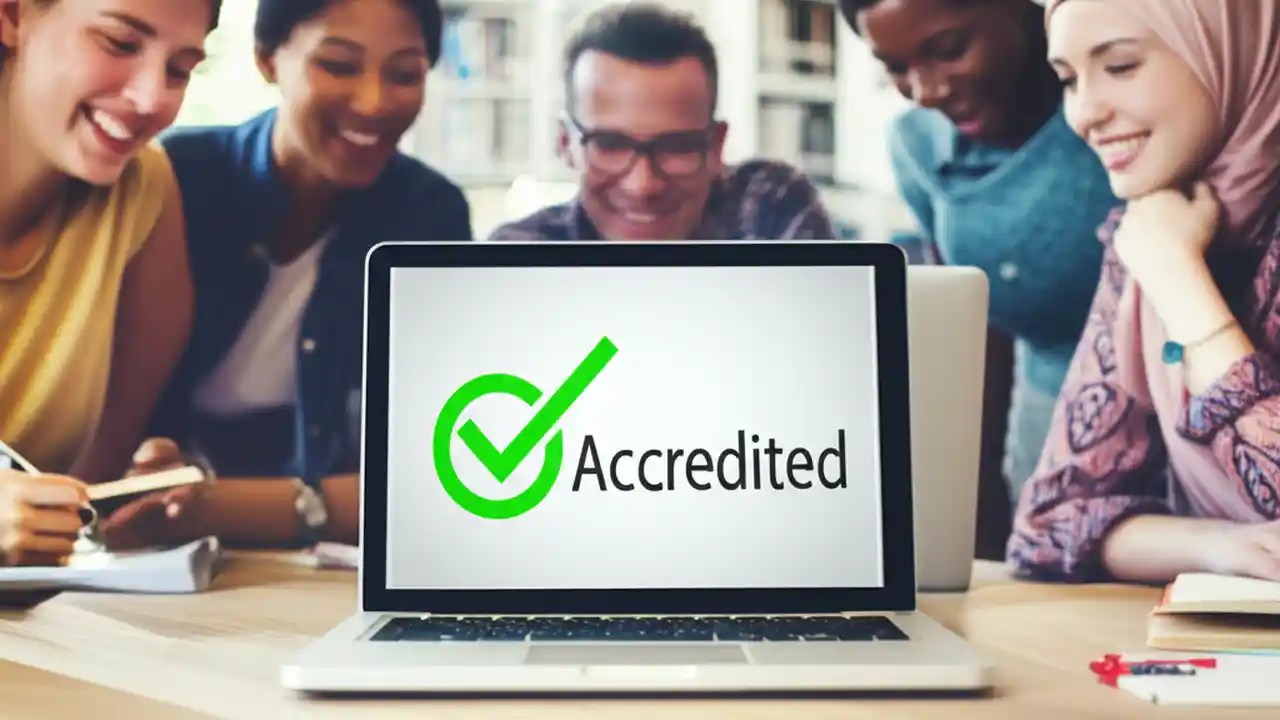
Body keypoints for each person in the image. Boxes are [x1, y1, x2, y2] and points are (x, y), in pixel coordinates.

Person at [107, 0, 472, 551]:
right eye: (339, 65)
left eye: (404, 75)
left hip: (320, 559)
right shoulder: (178, 181)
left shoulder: (427, 214)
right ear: (267, 59)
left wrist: (227, 507)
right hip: (151, 549)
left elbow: (432, 476)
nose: (374, 101)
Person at [1009, 0, 1280, 584]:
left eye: (1121, 66)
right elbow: (1047, 525)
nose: (1084, 113)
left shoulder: (1160, 250)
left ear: (1226, 45)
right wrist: (1216, 546)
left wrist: (1183, 285)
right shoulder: (1154, 232)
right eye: (1068, 80)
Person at [838, 0, 1118, 557]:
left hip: (1184, 422)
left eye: (948, 50)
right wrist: (974, 499)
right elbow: (971, 324)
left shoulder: (1113, 111)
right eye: (896, 67)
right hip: (1045, 424)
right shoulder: (916, 145)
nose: (927, 91)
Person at [0, 0, 221, 566]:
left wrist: (132, 492)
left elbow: (90, 494)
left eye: (180, 69)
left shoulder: (143, 192)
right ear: (13, 14)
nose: (152, 99)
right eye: (119, 44)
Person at [488, 2, 838, 242]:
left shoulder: (768, 204)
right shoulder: (518, 259)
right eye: (610, 145)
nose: (643, 186)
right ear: (565, 144)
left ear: (716, 146)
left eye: (677, 147)